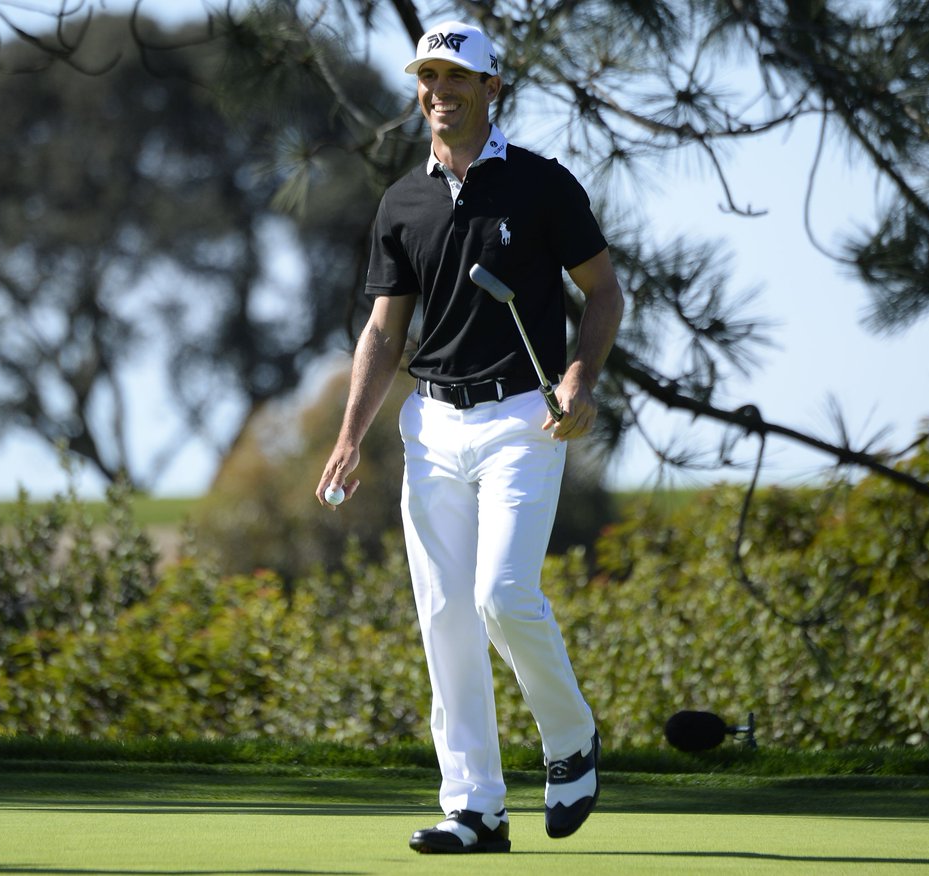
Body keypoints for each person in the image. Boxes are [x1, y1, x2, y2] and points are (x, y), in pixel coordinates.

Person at [316, 18, 624, 854]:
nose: (438, 94)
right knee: (445, 614)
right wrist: (351, 434)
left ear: (493, 90)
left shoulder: (541, 184)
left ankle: (570, 744)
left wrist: (578, 381)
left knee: (501, 595)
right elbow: (385, 331)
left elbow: (603, 294)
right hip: (434, 426)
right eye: (427, 80)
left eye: (456, 80)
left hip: (525, 419)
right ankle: (475, 807)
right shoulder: (403, 200)